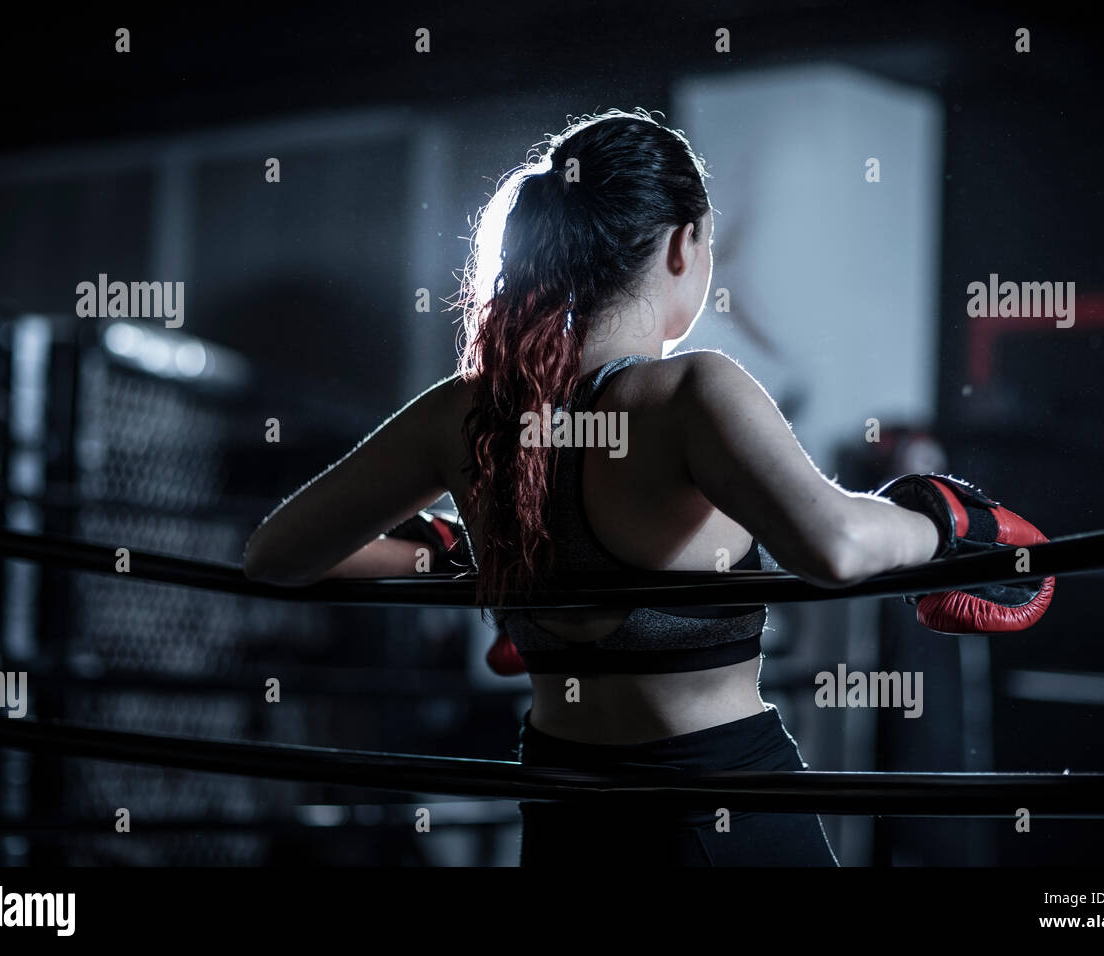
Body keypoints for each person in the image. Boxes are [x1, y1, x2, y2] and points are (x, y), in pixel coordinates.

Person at [242, 108, 1046, 866]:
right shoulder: (692, 394)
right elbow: (835, 545)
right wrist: (941, 519)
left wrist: (464, 551)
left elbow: (276, 555)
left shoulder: (465, 412)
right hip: (715, 807)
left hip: (563, 812)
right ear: (680, 245)